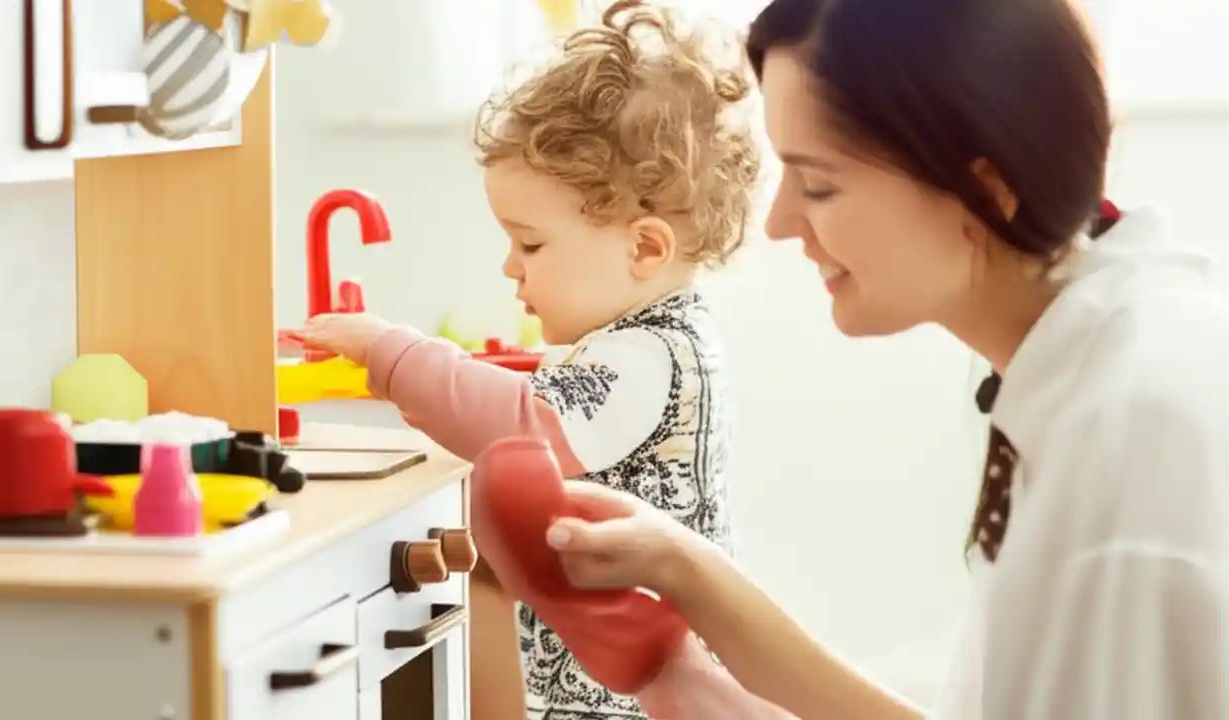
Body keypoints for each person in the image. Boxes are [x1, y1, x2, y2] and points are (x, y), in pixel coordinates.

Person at [539, 0, 1229, 718]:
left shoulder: (1131, 445)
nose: (779, 224)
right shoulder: (1078, 356)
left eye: (819, 184)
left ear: (987, 188)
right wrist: (686, 585)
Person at [298, 1, 760, 717]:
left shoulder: (652, 357)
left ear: (644, 248)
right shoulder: (653, 342)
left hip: (632, 697)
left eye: (532, 244)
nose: (512, 268)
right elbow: (548, 391)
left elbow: (526, 420)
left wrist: (394, 354)